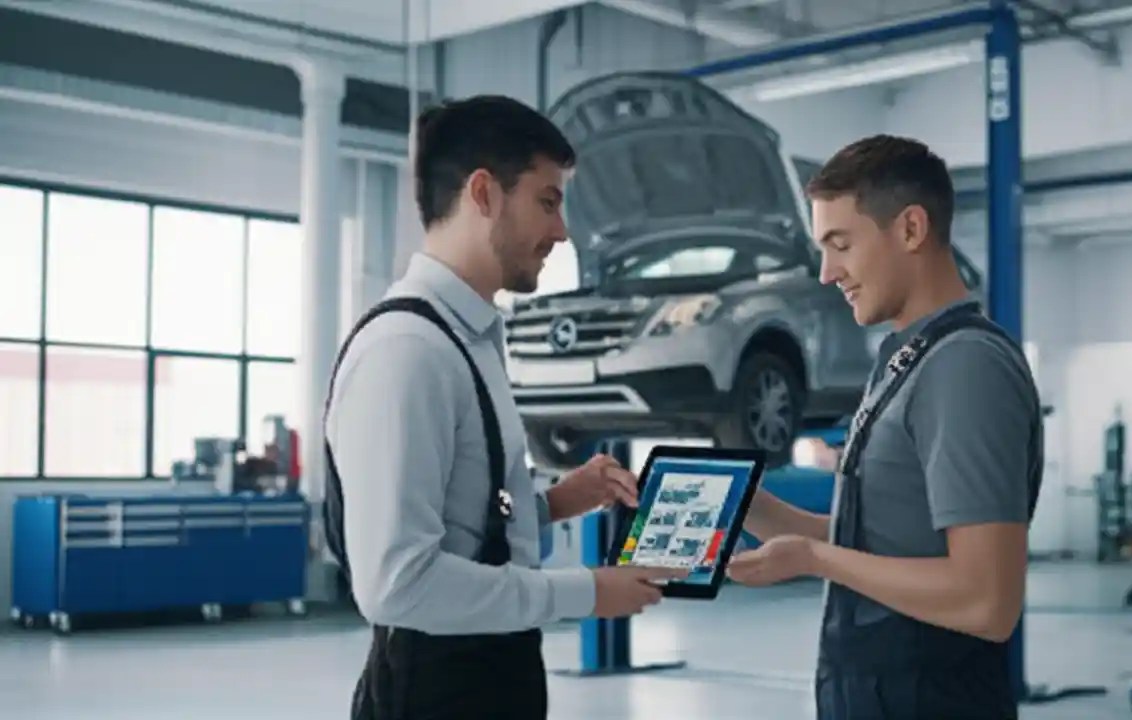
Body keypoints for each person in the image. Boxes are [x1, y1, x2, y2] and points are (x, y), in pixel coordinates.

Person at [324, 95, 684, 720]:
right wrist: (585, 592)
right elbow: (398, 584)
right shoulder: (408, 351)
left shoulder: (466, 338)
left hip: (490, 676)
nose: (562, 231)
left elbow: (462, 520)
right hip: (434, 694)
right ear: (484, 193)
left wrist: (554, 503)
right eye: (547, 201)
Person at [728, 135, 1042, 719]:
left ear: (911, 229)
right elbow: (872, 542)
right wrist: (741, 503)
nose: (827, 273)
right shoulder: (905, 360)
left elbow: (986, 600)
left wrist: (813, 559)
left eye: (841, 244)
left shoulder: (965, 367)